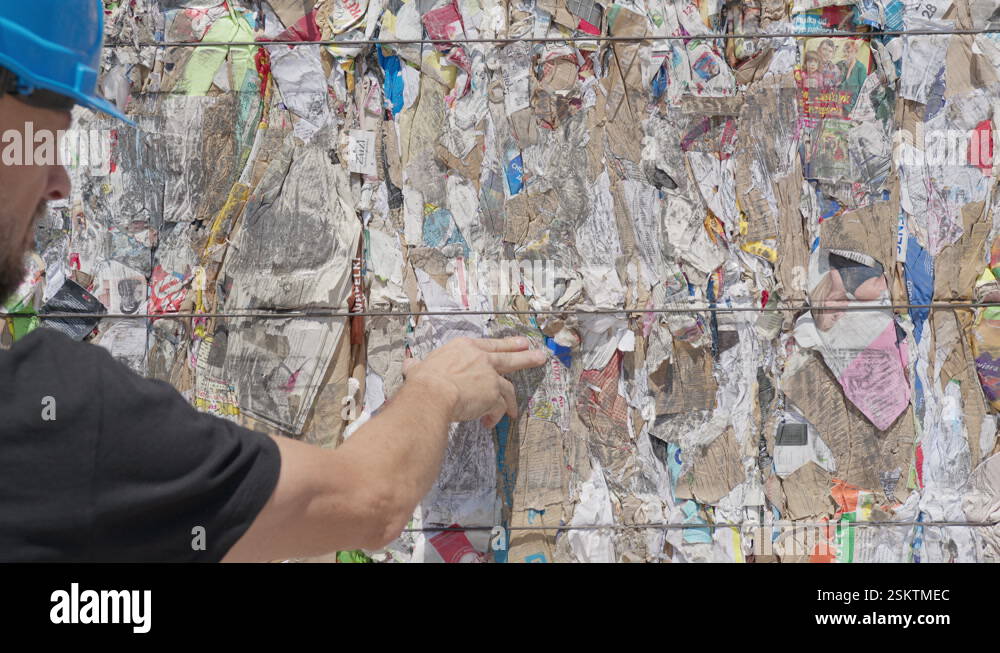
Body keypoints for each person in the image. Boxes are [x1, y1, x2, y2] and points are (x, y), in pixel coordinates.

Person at [0, 0, 549, 562]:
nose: (59, 181)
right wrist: (439, 389)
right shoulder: (53, 417)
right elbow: (369, 500)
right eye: (44, 141)